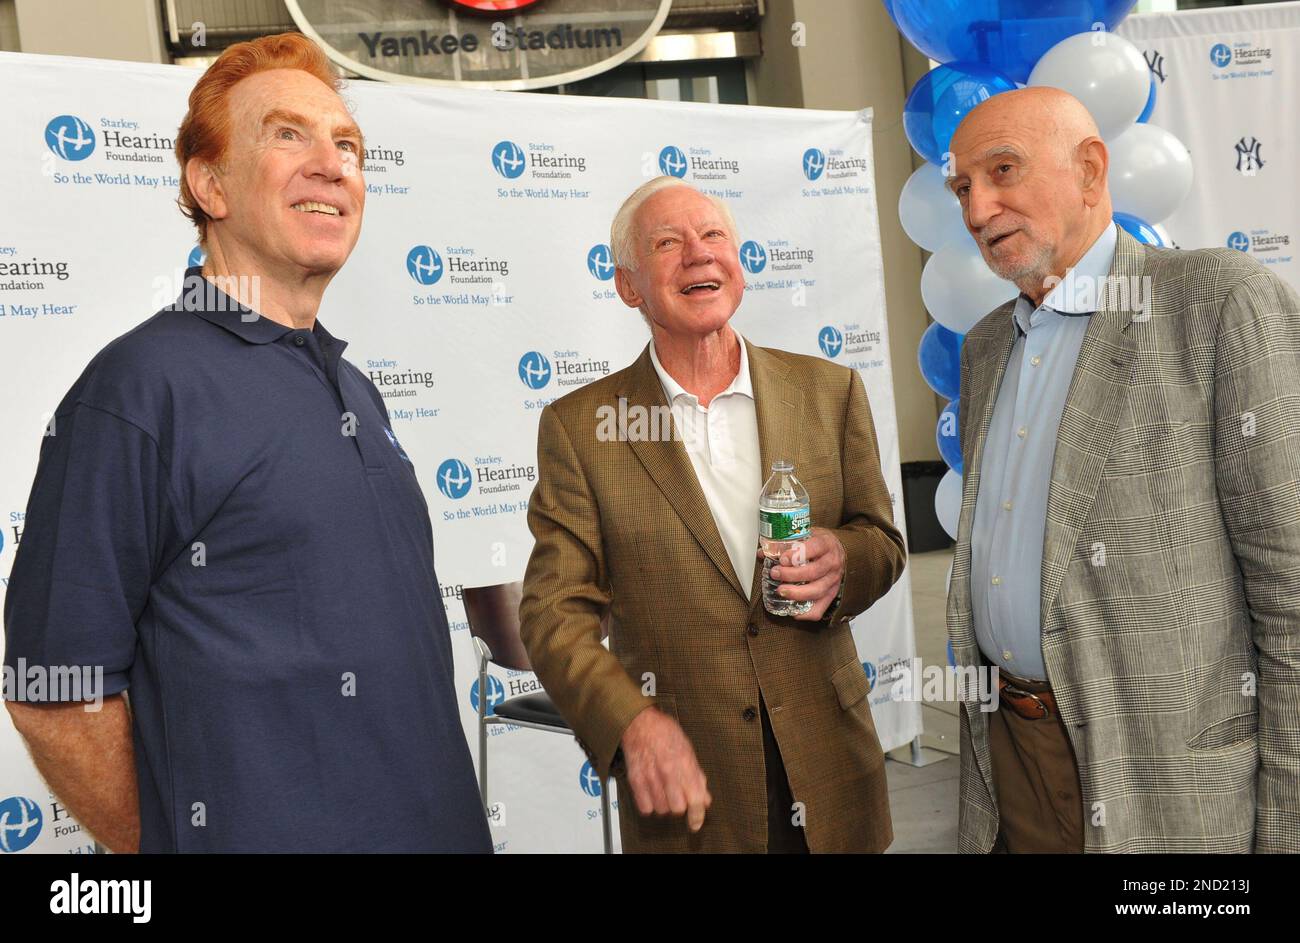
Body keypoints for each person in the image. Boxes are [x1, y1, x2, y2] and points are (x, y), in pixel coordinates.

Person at [2, 33, 490, 853]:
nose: (331, 165)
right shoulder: (136, 390)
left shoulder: (358, 390)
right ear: (209, 182)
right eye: (287, 134)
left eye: (347, 145)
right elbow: (55, 693)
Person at [946, 86, 1300, 853]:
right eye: (963, 187)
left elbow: (1291, 591)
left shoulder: (1216, 303)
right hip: (1012, 762)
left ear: (1090, 170)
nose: (978, 209)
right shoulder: (984, 348)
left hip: (1174, 787)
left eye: (1003, 170)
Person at [519, 176, 907, 853]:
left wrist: (845, 559)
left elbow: (882, 539)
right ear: (629, 285)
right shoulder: (582, 428)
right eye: (668, 243)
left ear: (739, 263)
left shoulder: (830, 389)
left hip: (830, 764)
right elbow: (554, 613)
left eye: (713, 236)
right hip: (692, 789)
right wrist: (632, 724)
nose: (698, 255)